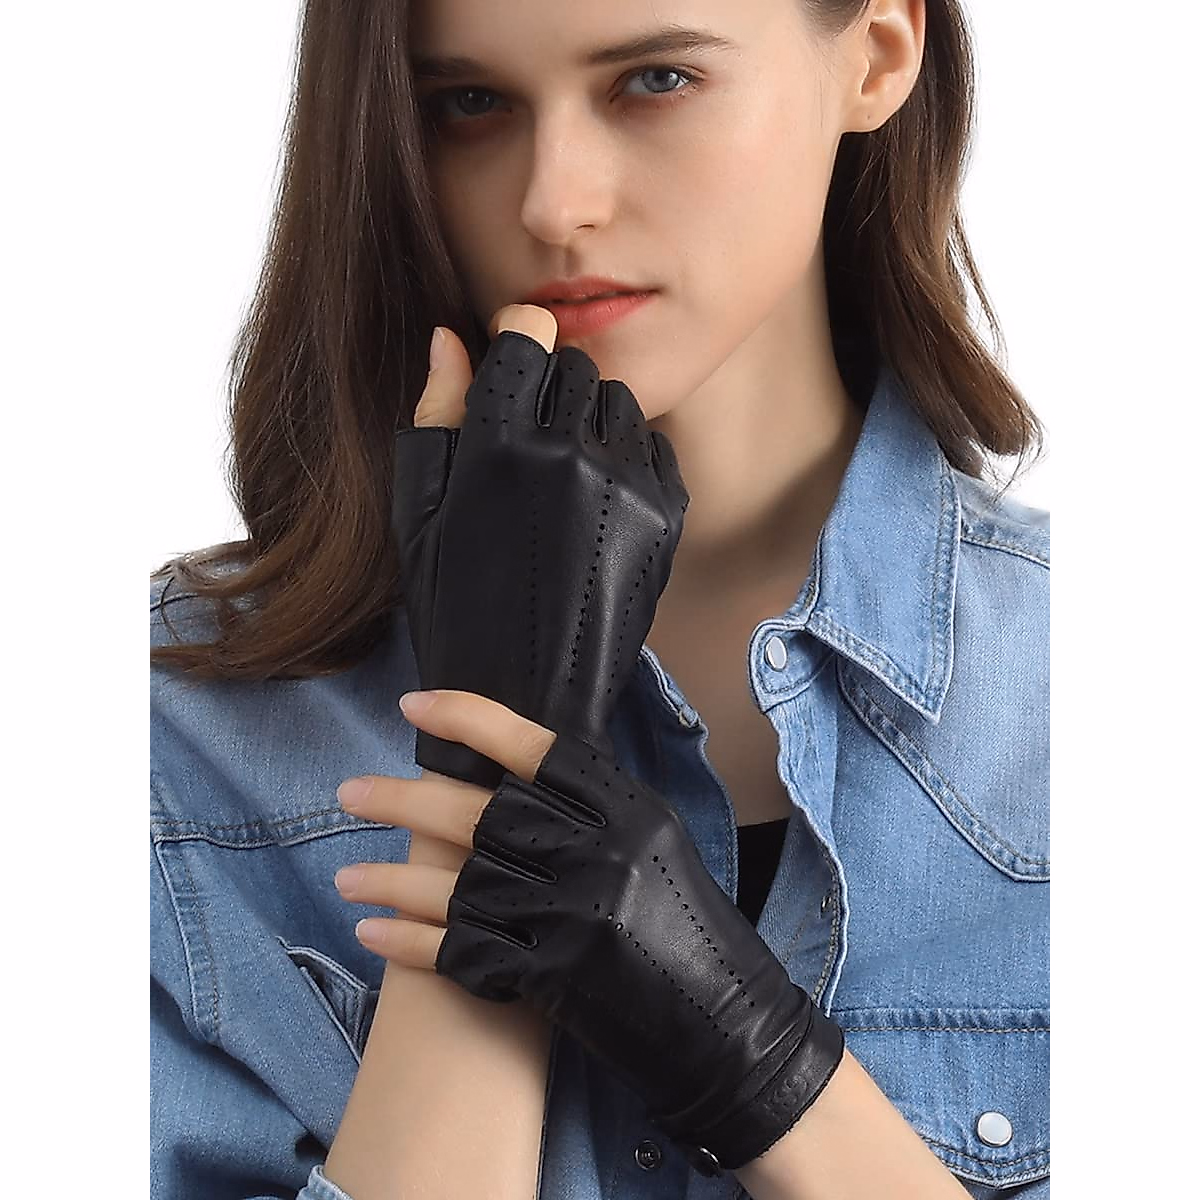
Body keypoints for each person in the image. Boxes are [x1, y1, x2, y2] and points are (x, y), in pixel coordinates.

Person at [150, 0, 1049, 1197]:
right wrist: (482, 778)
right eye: (469, 103)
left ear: (877, 54)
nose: (552, 204)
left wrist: (752, 1058)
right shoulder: (178, 745)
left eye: (657, 80)